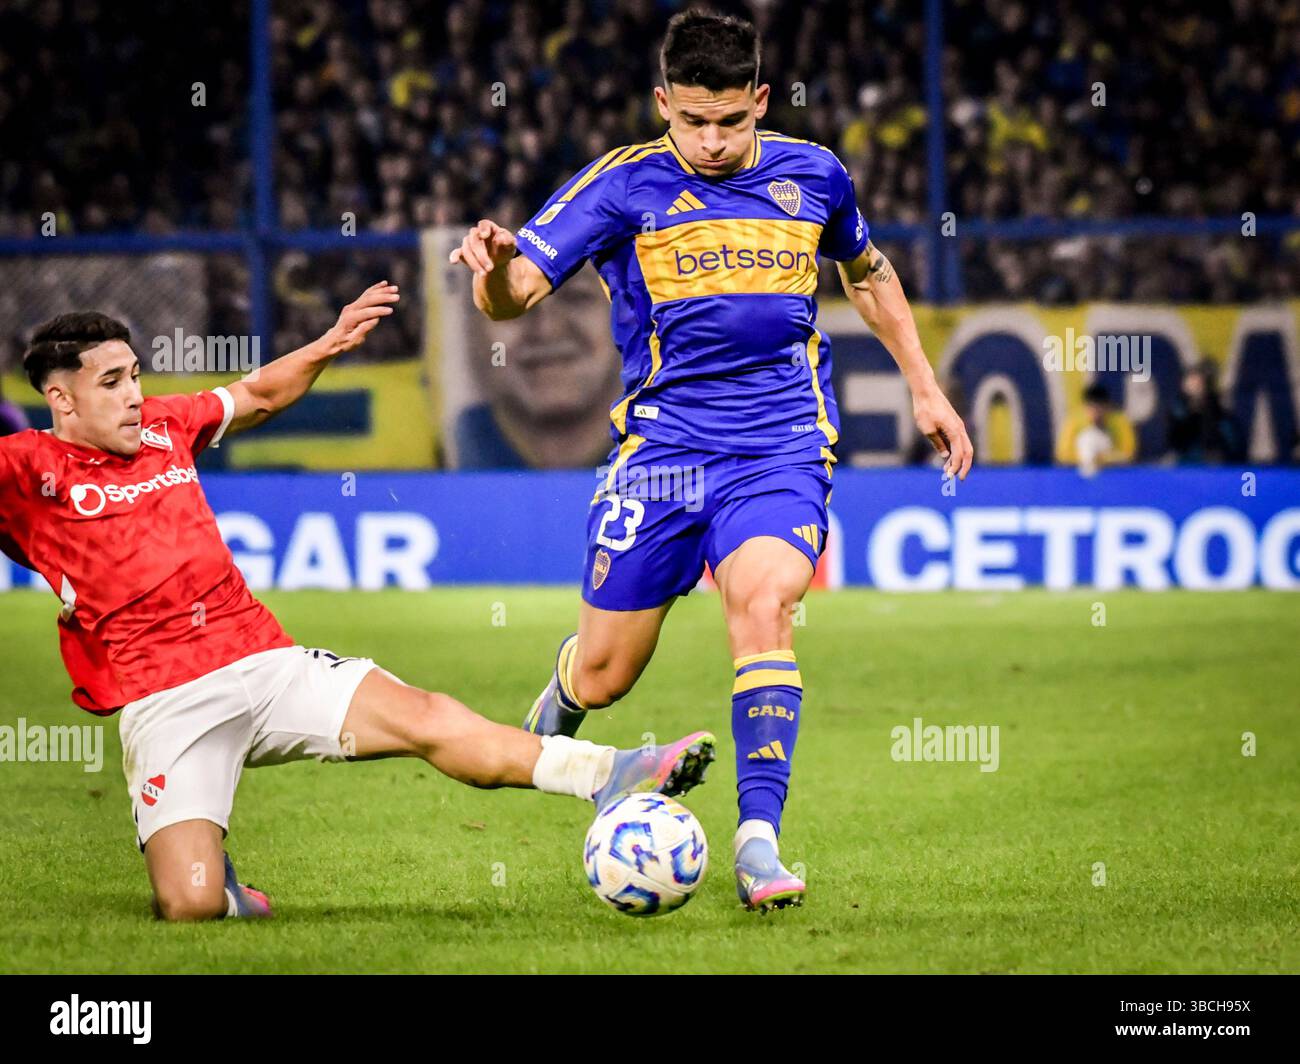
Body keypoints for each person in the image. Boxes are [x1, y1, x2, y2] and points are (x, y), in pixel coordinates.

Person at [449, 11, 972, 911]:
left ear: (760, 101)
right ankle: (570, 689)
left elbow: (869, 272)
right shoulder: (621, 186)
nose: (714, 140)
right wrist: (493, 270)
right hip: (663, 454)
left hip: (779, 444)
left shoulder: (815, 175)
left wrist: (925, 384)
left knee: (764, 603)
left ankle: (758, 843)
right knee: (611, 671)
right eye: (694, 122)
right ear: (663, 105)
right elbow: (513, 296)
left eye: (731, 121)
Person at [0, 284, 714, 922]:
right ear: (61, 398)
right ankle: (218, 877)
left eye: (135, 376)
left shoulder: (163, 426)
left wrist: (329, 343)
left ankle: (607, 771)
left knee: (429, 717)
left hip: (263, 659)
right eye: (112, 382)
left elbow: (261, 395)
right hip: (165, 701)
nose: (133, 395)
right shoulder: (26, 469)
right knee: (188, 903)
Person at [1168, 359, 1244, 464]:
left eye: (1197, 381)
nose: (1193, 384)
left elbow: (1233, 444)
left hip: (1215, 466)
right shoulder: (1178, 409)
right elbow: (1175, 441)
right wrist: (1193, 414)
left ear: (1205, 384)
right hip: (1186, 464)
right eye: (1190, 379)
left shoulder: (1217, 411)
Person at [1055, 382, 1137, 474]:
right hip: (1078, 472)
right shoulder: (1073, 422)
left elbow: (1128, 453)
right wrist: (1089, 458)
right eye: (1092, 408)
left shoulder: (1120, 421)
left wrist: (1102, 458)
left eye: (1100, 408)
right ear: (1085, 407)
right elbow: (1063, 455)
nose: (1096, 413)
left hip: (1113, 472)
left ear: (1108, 407)